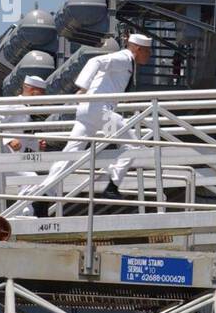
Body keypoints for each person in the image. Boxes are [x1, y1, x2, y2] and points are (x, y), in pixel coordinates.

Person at [48, 33, 153, 202]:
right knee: (134, 144)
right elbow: (94, 61)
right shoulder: (124, 58)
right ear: (138, 49)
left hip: (89, 111)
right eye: (148, 52)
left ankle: (45, 192)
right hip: (101, 111)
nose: (149, 56)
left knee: (71, 153)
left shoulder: (128, 62)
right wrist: (83, 86)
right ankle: (112, 183)